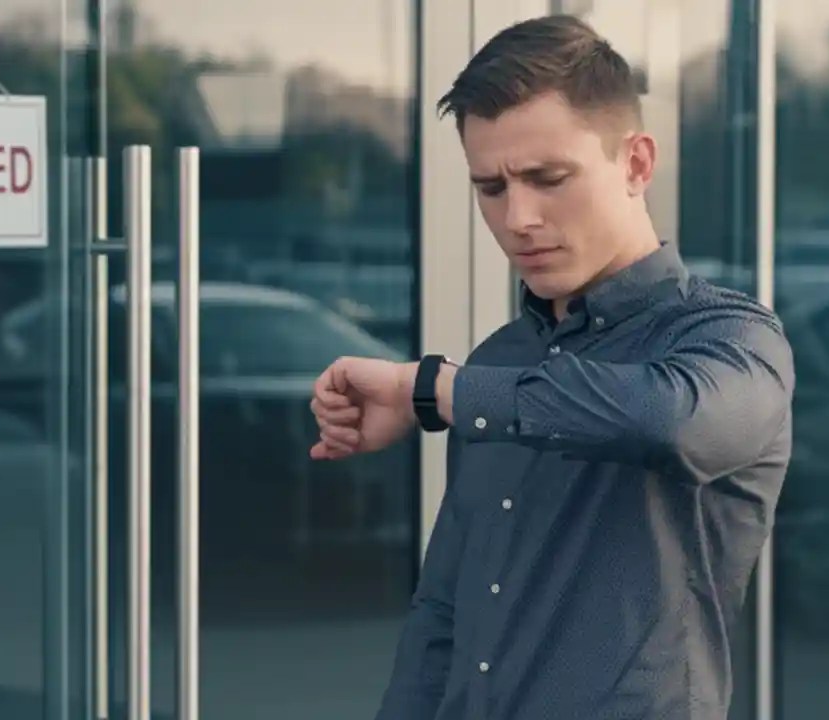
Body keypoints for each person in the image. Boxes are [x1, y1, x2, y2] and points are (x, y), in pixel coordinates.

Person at [309, 14, 794, 720]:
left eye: (547, 178)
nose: (519, 218)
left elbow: (671, 420)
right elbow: (446, 611)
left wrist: (432, 390)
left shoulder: (730, 339)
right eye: (492, 188)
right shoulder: (499, 365)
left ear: (636, 163)